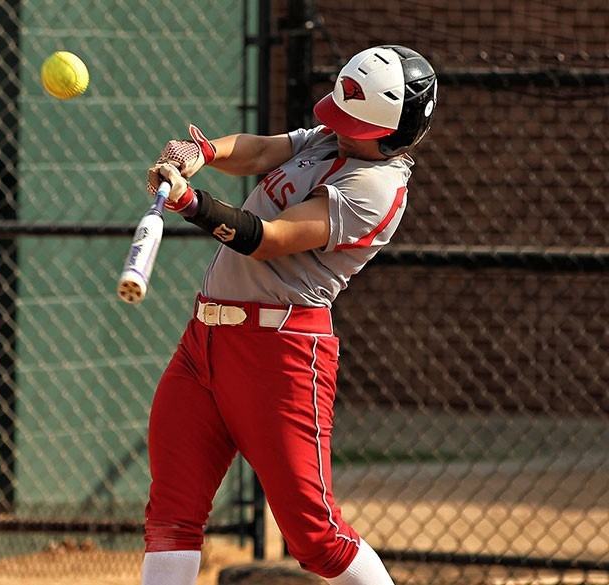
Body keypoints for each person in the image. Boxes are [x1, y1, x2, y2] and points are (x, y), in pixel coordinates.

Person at [140, 45, 437, 585]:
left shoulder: (377, 187)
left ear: (395, 132)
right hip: (203, 342)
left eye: (356, 124)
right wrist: (201, 151)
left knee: (316, 537)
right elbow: (257, 152)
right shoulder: (332, 140)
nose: (339, 128)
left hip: (281, 357)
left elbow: (269, 239)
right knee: (171, 510)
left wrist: (191, 203)